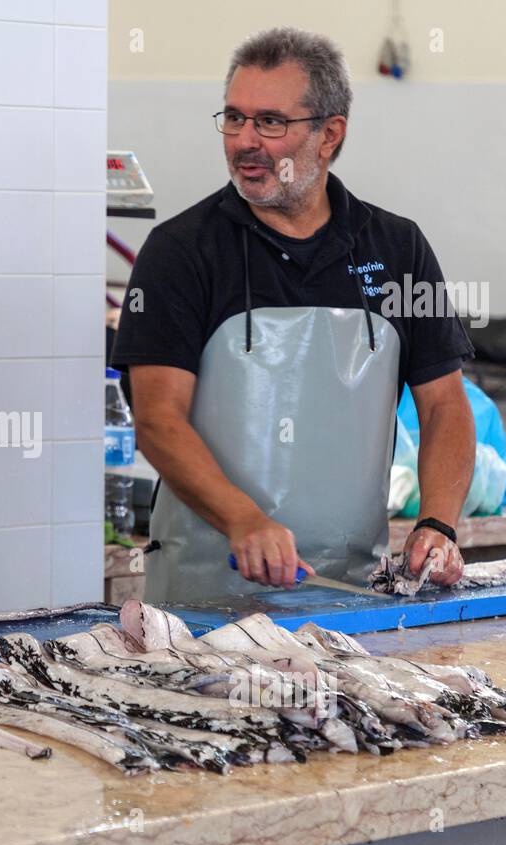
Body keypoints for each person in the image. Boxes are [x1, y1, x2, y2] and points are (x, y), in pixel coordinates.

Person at [113, 27, 475, 601]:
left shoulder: (397, 248)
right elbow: (158, 418)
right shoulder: (181, 251)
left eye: (270, 122)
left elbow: (445, 406)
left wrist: (438, 524)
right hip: (203, 595)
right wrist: (242, 519)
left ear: (330, 134)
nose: (244, 141)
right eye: (233, 119)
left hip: (351, 594)